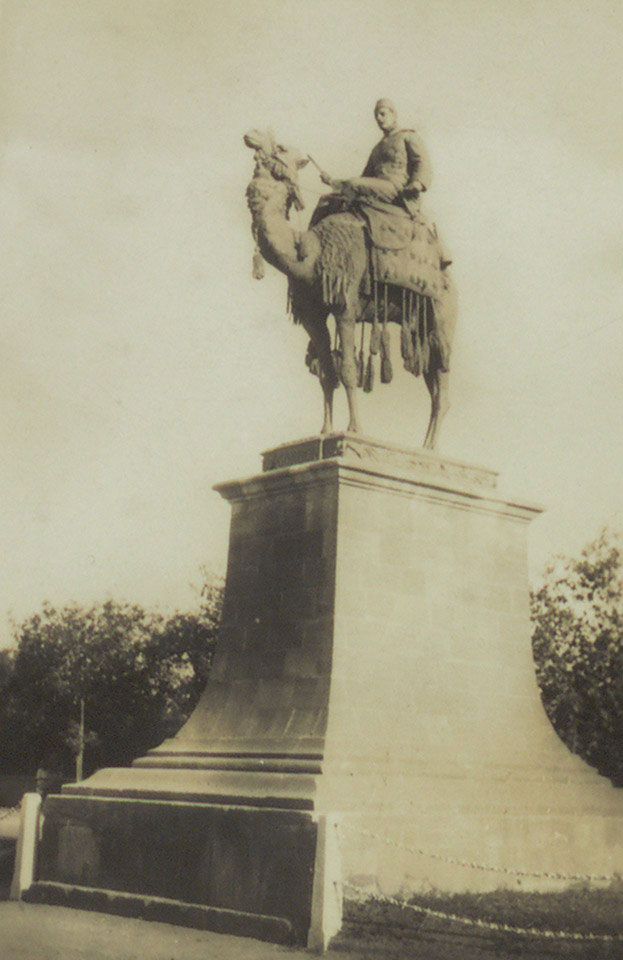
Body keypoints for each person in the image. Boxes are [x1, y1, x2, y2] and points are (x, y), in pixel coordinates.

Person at [319, 98, 432, 218]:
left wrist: (417, 183)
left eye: (383, 114)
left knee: (353, 184)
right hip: (379, 188)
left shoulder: (407, 136)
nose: (379, 118)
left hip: (398, 190)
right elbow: (365, 178)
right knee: (327, 199)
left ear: (394, 114)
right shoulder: (377, 148)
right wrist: (332, 181)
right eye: (376, 115)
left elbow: (423, 162)